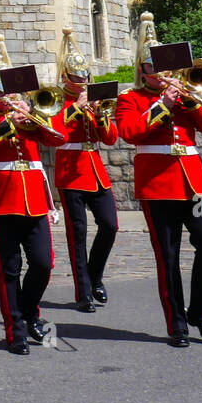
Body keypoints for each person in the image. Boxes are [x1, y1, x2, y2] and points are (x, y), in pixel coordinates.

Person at [116, 13, 202, 347]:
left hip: (194, 187)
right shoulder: (129, 100)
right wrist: (161, 106)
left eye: (164, 68)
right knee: (168, 256)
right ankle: (176, 323)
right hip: (159, 188)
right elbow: (130, 132)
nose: (161, 74)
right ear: (142, 70)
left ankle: (201, 314)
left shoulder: (185, 95)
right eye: (153, 67)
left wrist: (193, 102)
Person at [0, 36, 65, 356]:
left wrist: (34, 114)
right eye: (0, 92)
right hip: (1, 200)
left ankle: (29, 310)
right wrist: (8, 123)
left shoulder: (29, 117)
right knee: (9, 267)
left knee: (43, 263)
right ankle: (14, 328)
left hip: (34, 199)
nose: (7, 98)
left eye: (11, 92)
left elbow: (58, 137)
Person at [50, 29, 119, 314]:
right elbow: (55, 132)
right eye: (76, 78)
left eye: (85, 78)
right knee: (77, 234)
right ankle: (84, 292)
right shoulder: (57, 100)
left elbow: (111, 138)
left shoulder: (94, 100)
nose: (82, 83)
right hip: (71, 173)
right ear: (65, 77)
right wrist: (76, 109)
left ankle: (94, 275)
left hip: (95, 172)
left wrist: (101, 114)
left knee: (110, 225)